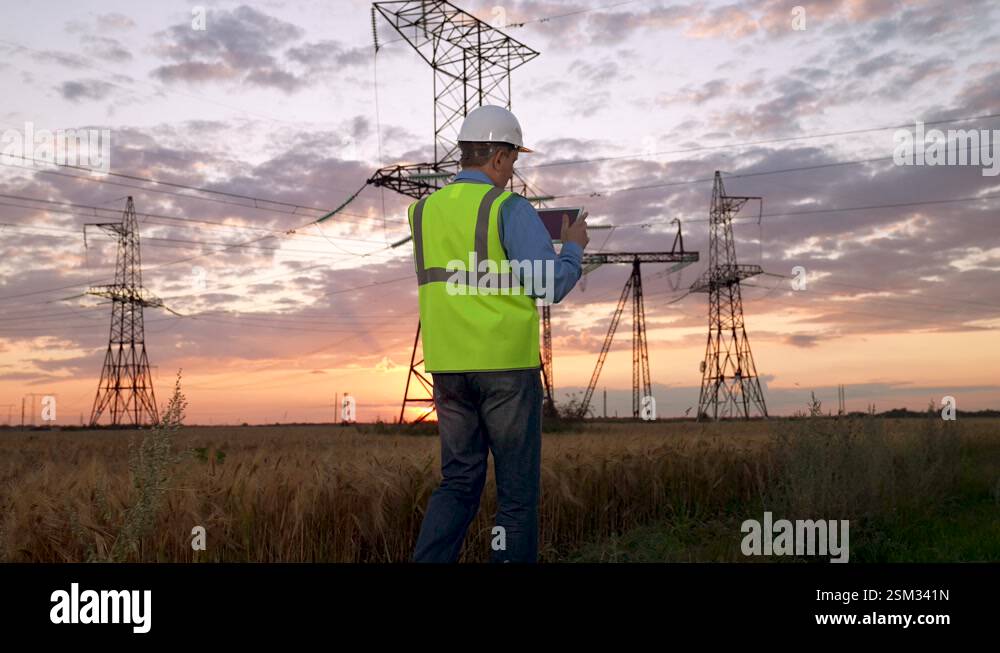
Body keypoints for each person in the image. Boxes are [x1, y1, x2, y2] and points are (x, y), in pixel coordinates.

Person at [408, 105, 589, 563]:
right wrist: (572, 247)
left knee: (458, 483)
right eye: (513, 162)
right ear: (500, 158)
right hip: (505, 367)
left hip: (448, 369)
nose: (512, 173)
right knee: (515, 495)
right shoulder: (507, 208)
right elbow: (550, 284)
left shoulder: (422, 211)